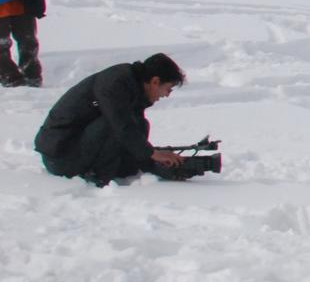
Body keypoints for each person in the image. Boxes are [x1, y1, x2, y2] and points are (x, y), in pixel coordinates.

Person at [34, 54, 220, 185]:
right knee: (114, 126)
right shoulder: (115, 84)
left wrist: (155, 158)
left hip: (75, 147)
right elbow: (120, 125)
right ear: (155, 81)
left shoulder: (132, 85)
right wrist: (152, 154)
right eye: (168, 89)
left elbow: (131, 130)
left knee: (138, 126)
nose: (166, 95)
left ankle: (117, 169)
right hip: (60, 157)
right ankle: (99, 177)